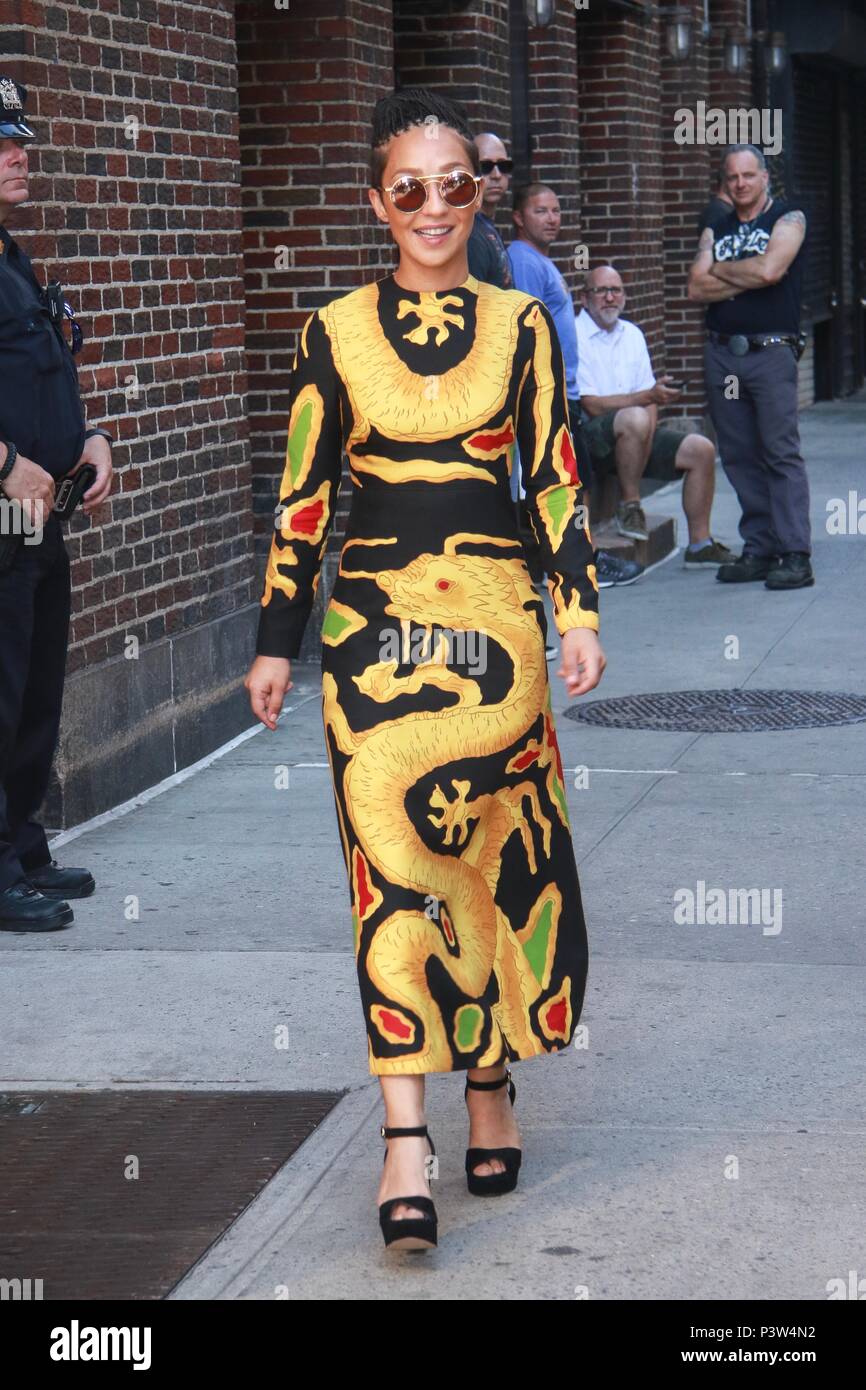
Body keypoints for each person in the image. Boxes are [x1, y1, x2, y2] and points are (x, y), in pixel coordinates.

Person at [243, 87, 606, 1254]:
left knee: (491, 852)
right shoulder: (332, 331)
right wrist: (271, 639)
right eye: (411, 189)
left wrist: (577, 609)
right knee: (388, 870)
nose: (437, 207)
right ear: (375, 202)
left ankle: (487, 1080)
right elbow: (302, 500)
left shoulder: (523, 324)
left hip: (498, 624)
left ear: (479, 192)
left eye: (458, 184)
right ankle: (407, 1133)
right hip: (369, 635)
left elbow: (550, 477)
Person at [0, 77, 114, 933]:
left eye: (20, 140)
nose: (19, 154)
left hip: (44, 517)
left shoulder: (11, 257)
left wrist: (91, 441)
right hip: (3, 514)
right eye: (2, 144)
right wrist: (5, 464)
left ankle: (23, 845)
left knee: (36, 687)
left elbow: (46, 375)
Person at [688, 143, 812, 589]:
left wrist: (722, 268)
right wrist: (746, 271)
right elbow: (696, 288)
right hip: (724, 355)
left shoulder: (789, 217)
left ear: (764, 178)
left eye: (748, 176)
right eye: (732, 178)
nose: (740, 184)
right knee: (739, 454)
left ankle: (795, 553)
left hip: (770, 353)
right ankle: (760, 548)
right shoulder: (716, 225)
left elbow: (771, 271)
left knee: (780, 452)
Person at [508, 183, 642, 591]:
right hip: (545, 394)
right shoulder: (524, 260)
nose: (552, 219)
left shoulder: (541, 260)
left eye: (556, 211)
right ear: (519, 217)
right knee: (564, 486)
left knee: (572, 483)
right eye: (540, 211)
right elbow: (525, 326)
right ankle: (577, 566)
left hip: (560, 392)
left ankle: (579, 561)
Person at [576, 263, 734, 568]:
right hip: (591, 438)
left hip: (635, 436)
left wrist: (646, 434)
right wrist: (645, 405)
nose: (610, 297)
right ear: (585, 298)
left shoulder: (632, 334)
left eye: (616, 290)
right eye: (601, 291)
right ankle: (630, 505)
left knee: (701, 450)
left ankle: (700, 546)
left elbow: (649, 400)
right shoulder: (575, 334)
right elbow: (592, 405)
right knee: (635, 417)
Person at [466, 131, 512, 289]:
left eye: (503, 166)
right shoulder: (469, 233)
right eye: (485, 167)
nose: (497, 175)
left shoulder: (486, 227)